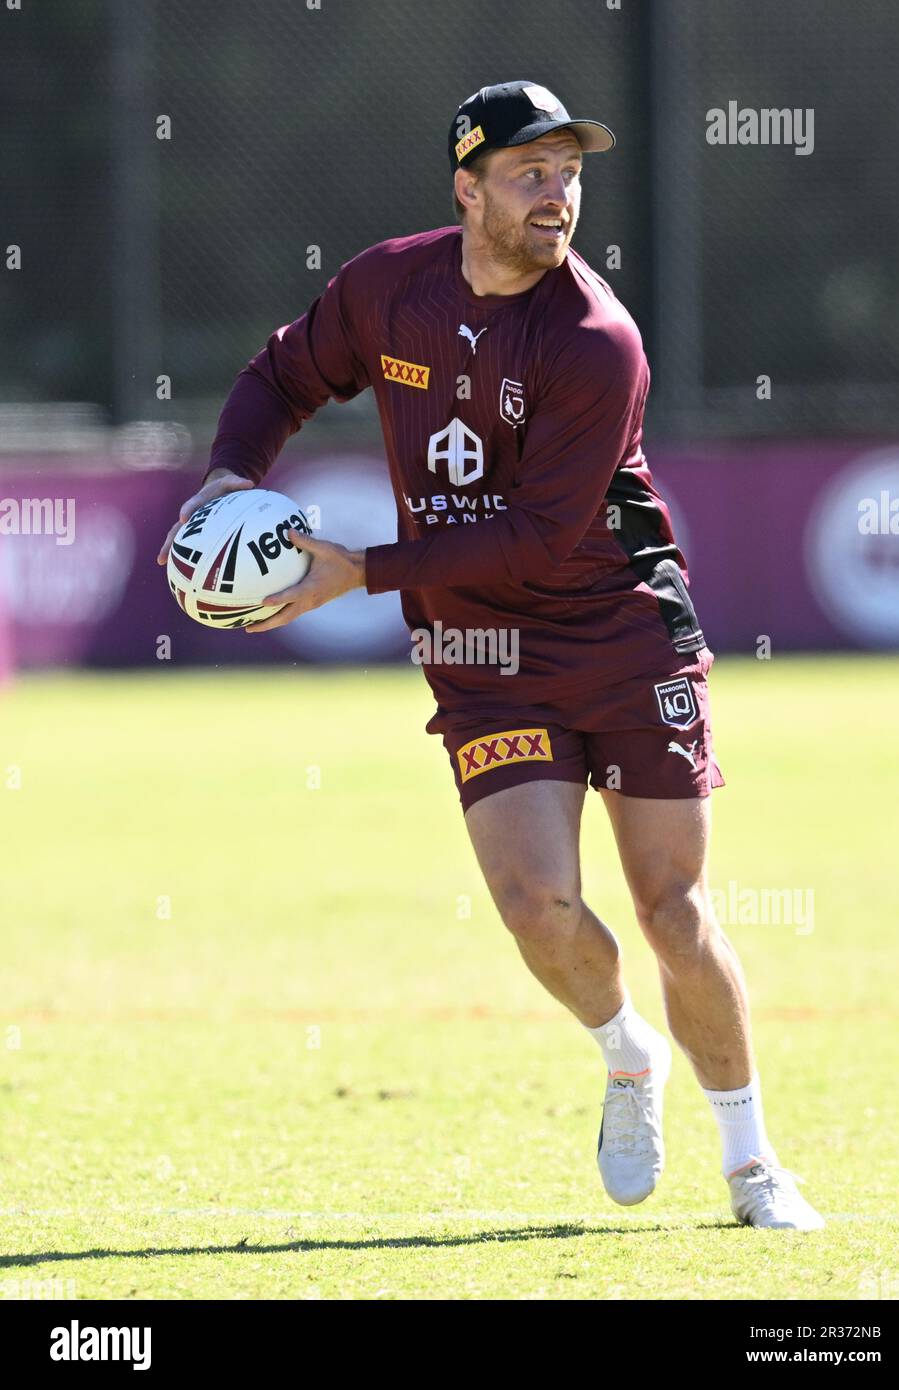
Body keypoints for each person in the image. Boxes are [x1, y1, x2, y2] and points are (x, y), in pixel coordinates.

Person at [158, 80, 823, 1230]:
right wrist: (230, 473)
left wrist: (352, 574)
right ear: (467, 191)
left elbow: (535, 538)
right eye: (531, 174)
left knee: (670, 909)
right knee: (534, 905)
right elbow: (282, 374)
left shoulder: (596, 340)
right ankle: (627, 1057)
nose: (558, 194)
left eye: (569, 171)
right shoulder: (385, 287)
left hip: (618, 624)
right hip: (482, 645)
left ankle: (754, 1162)